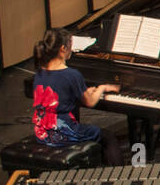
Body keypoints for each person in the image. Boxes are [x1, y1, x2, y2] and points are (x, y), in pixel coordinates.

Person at [31, 28, 124, 165]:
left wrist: (87, 90)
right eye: (71, 46)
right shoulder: (71, 74)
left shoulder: (40, 72)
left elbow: (61, 94)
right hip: (63, 134)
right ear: (63, 48)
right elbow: (90, 102)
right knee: (108, 137)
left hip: (42, 132)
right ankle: (119, 176)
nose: (72, 49)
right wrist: (102, 88)